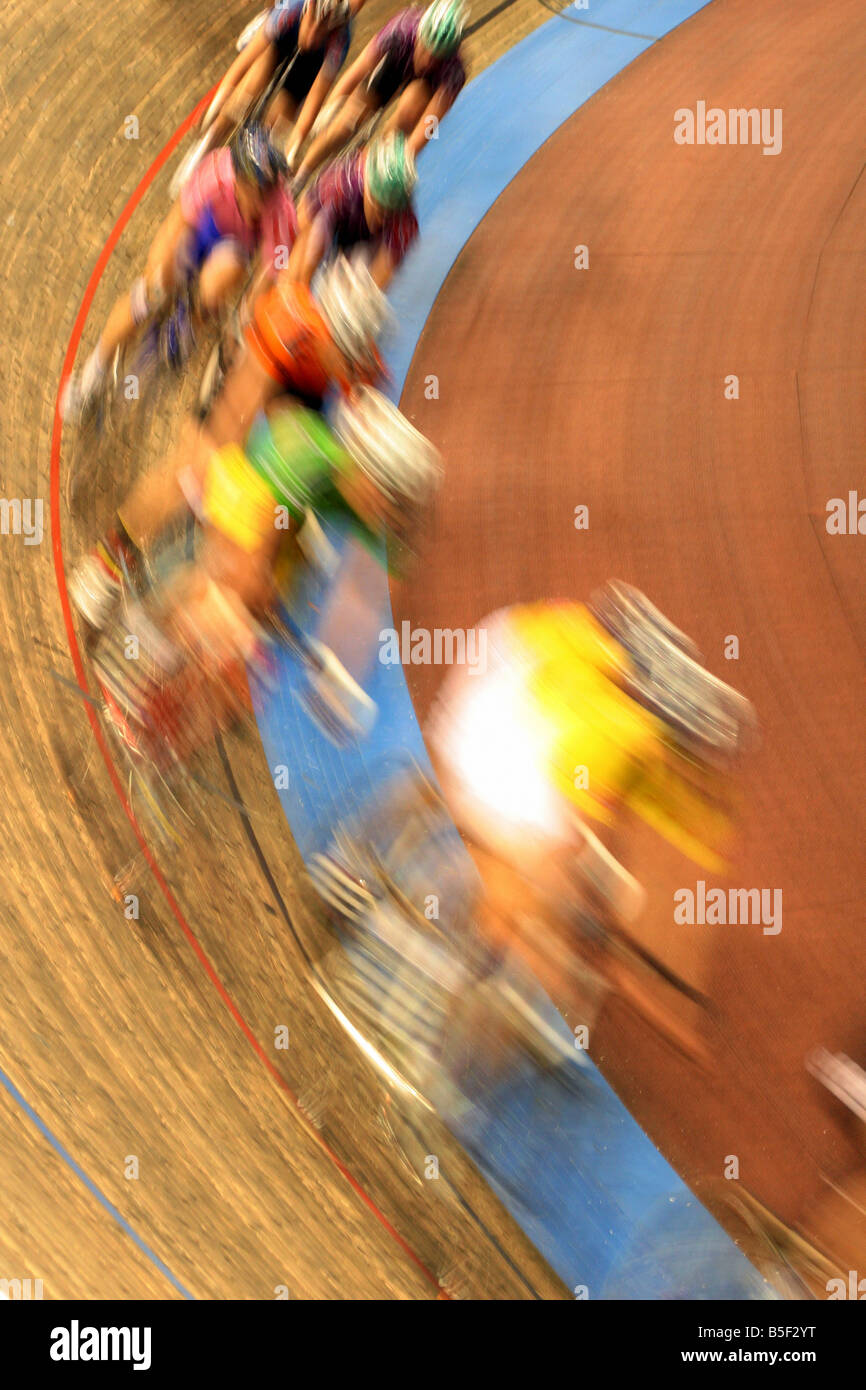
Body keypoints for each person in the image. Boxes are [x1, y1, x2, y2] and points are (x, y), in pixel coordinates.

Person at [68, 254, 391, 632]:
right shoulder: (289, 324)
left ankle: (251, 582)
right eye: (346, 358)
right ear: (326, 331)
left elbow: (351, 438)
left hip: (299, 395)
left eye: (356, 360)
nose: (351, 368)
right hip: (256, 374)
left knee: (287, 489)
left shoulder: (358, 359)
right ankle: (104, 564)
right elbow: (236, 410)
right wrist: (214, 476)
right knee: (190, 473)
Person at [62, 125, 295, 424]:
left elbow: (273, 278)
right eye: (258, 190)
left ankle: (192, 321)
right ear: (240, 181)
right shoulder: (215, 171)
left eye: (269, 189)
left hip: (233, 248)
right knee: (145, 296)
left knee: (221, 280)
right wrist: (157, 282)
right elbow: (175, 226)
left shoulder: (280, 210)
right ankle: (92, 376)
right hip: (202, 228)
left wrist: (240, 324)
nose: (264, 198)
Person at [185, 0, 360, 182]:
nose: (312, 37)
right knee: (249, 86)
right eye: (311, 28)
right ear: (307, 12)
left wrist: (293, 149)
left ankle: (246, 171)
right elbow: (243, 64)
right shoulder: (292, 8)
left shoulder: (340, 40)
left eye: (319, 33)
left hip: (313, 59)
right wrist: (215, 107)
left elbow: (314, 100)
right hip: (286, 28)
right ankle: (209, 140)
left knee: (279, 123)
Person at [294, 0, 467, 183]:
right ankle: (301, 174)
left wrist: (404, 157)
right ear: (420, 35)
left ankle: (371, 168)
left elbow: (431, 122)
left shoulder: (453, 72)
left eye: (436, 59)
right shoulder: (402, 29)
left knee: (409, 114)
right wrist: (333, 103)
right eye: (425, 51)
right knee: (345, 121)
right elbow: (358, 70)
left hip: (424, 87)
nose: (427, 62)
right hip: (397, 61)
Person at [289, 129, 419, 288]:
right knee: (296, 276)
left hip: (363, 240)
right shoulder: (339, 185)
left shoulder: (405, 223)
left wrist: (359, 299)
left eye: (389, 213)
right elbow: (305, 227)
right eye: (379, 209)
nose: (382, 218)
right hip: (329, 212)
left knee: (358, 291)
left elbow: (379, 279)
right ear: (368, 190)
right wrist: (298, 288)